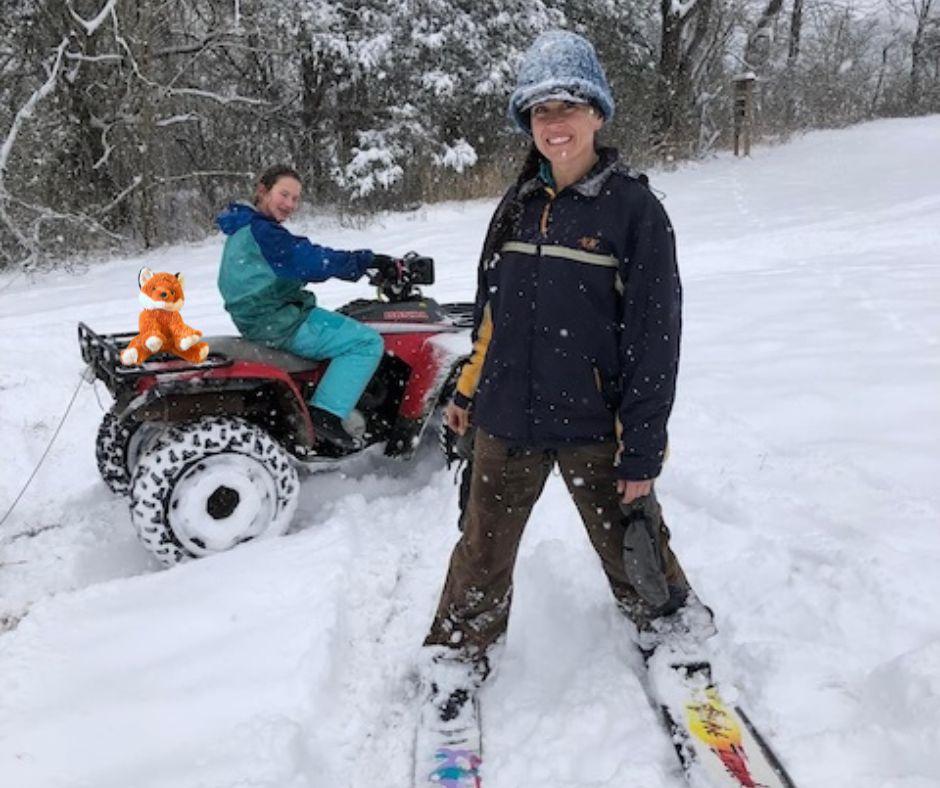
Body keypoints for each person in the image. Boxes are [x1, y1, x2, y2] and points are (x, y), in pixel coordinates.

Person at [423, 30, 715, 706]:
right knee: (480, 550)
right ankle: (459, 650)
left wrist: (639, 449)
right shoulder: (519, 205)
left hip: (594, 424)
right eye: (540, 111)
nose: (554, 125)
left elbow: (654, 339)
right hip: (507, 419)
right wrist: (469, 389)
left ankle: (671, 630)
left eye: (568, 108)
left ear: (598, 115)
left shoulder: (635, 211)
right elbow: (491, 313)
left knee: (632, 542)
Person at [216, 165, 399, 450]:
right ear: (263, 190)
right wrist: (367, 261)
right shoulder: (263, 232)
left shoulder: (243, 226)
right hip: (280, 321)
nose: (289, 204)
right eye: (283, 194)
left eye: (295, 198)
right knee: (366, 342)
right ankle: (326, 414)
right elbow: (311, 260)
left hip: (264, 317)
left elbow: (296, 261)